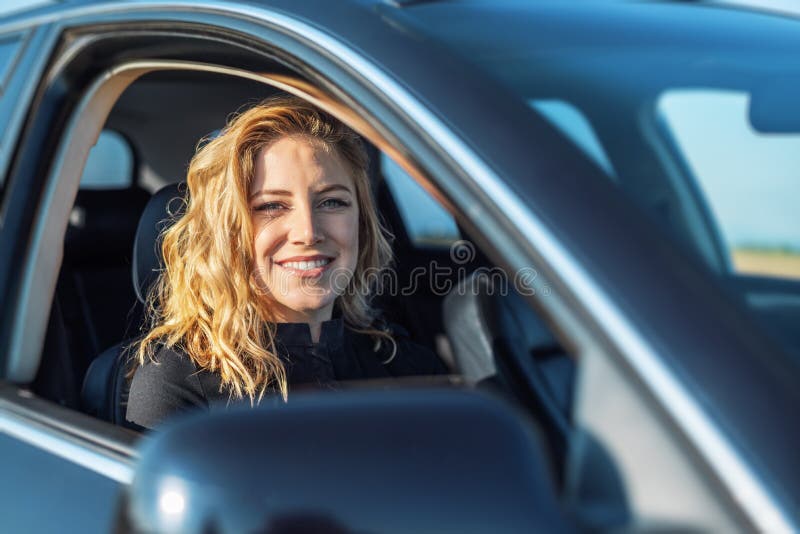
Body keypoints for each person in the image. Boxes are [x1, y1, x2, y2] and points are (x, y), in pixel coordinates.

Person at [126, 95, 448, 429]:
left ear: (362, 222)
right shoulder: (178, 382)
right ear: (230, 231)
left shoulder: (408, 367)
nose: (308, 233)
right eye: (271, 206)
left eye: (332, 202)